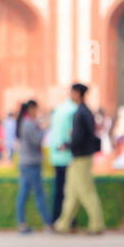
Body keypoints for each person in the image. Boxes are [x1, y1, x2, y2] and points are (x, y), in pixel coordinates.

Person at [52, 84, 104, 235]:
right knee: (72, 193)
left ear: (77, 94)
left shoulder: (80, 113)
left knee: (86, 192)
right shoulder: (84, 112)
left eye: (72, 93)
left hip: (81, 157)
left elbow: (79, 138)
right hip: (78, 157)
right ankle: (63, 224)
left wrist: (66, 145)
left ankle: (96, 224)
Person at [15, 100, 49, 232]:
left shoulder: (26, 122)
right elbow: (37, 140)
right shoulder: (29, 124)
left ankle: (21, 223)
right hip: (31, 163)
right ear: (31, 109)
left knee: (23, 194)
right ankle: (47, 222)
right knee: (39, 193)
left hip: (27, 162)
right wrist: (45, 129)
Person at [46, 95, 77, 225]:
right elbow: (72, 133)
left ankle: (57, 218)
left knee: (59, 190)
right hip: (67, 156)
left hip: (56, 155)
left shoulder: (59, 110)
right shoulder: (73, 110)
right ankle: (68, 220)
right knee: (69, 191)